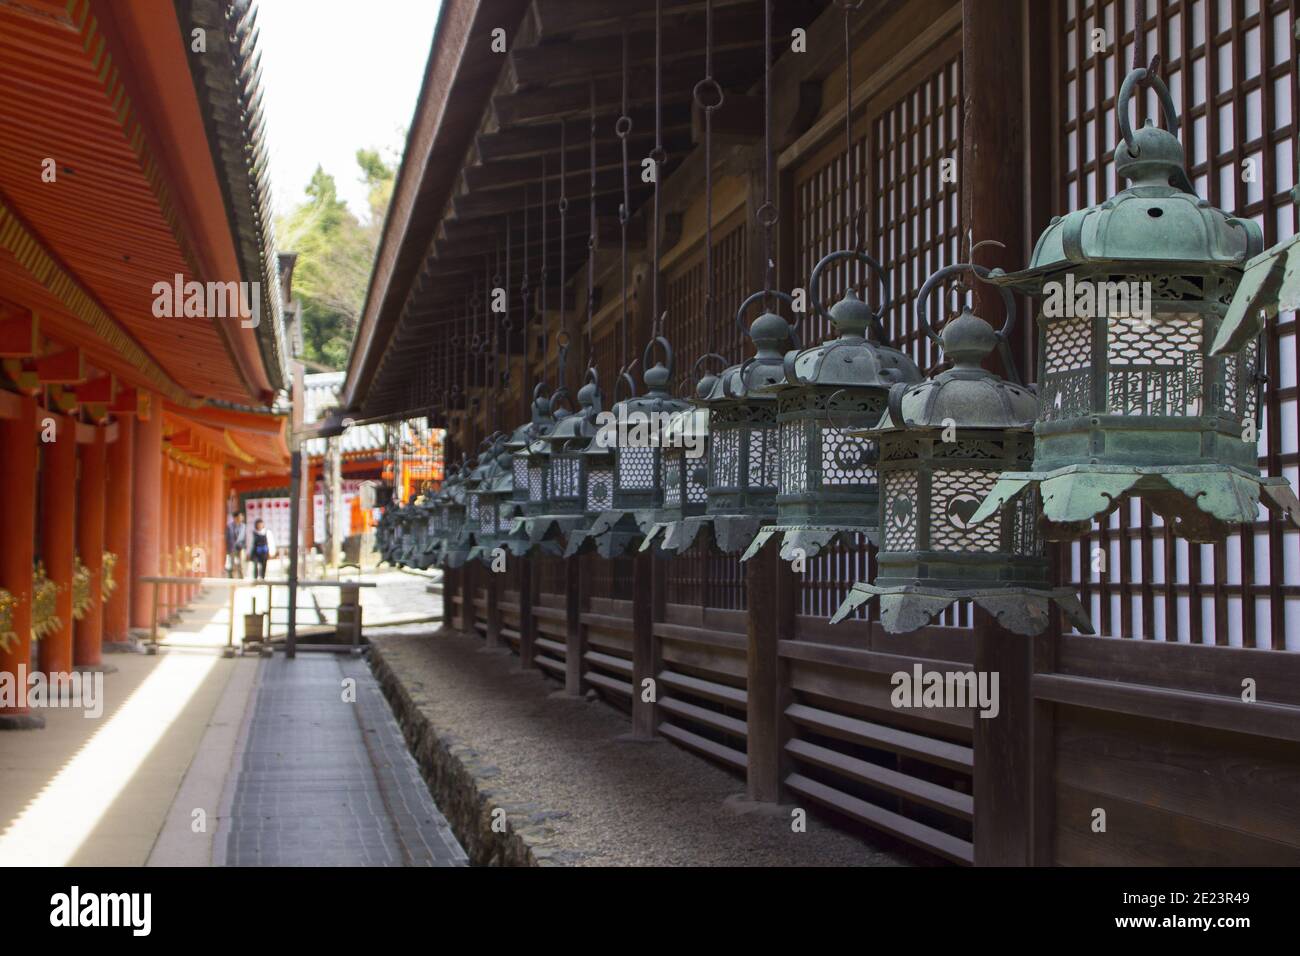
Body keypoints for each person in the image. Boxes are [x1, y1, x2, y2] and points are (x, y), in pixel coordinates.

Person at [225, 512, 247, 578]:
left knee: (241, 564)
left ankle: (242, 578)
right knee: (232, 564)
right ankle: (232, 579)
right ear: (235, 518)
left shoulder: (243, 526)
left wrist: (244, 546)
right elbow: (228, 538)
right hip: (232, 547)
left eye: (241, 516)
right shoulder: (229, 526)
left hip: (241, 547)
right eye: (239, 517)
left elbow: (245, 537)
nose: (241, 518)